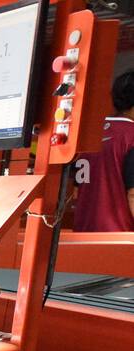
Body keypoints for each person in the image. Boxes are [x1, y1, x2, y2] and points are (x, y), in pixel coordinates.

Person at [74, 70, 134, 233]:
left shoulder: (87, 133)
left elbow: (74, 187)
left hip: (81, 232)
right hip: (119, 238)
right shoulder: (131, 136)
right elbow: (133, 195)